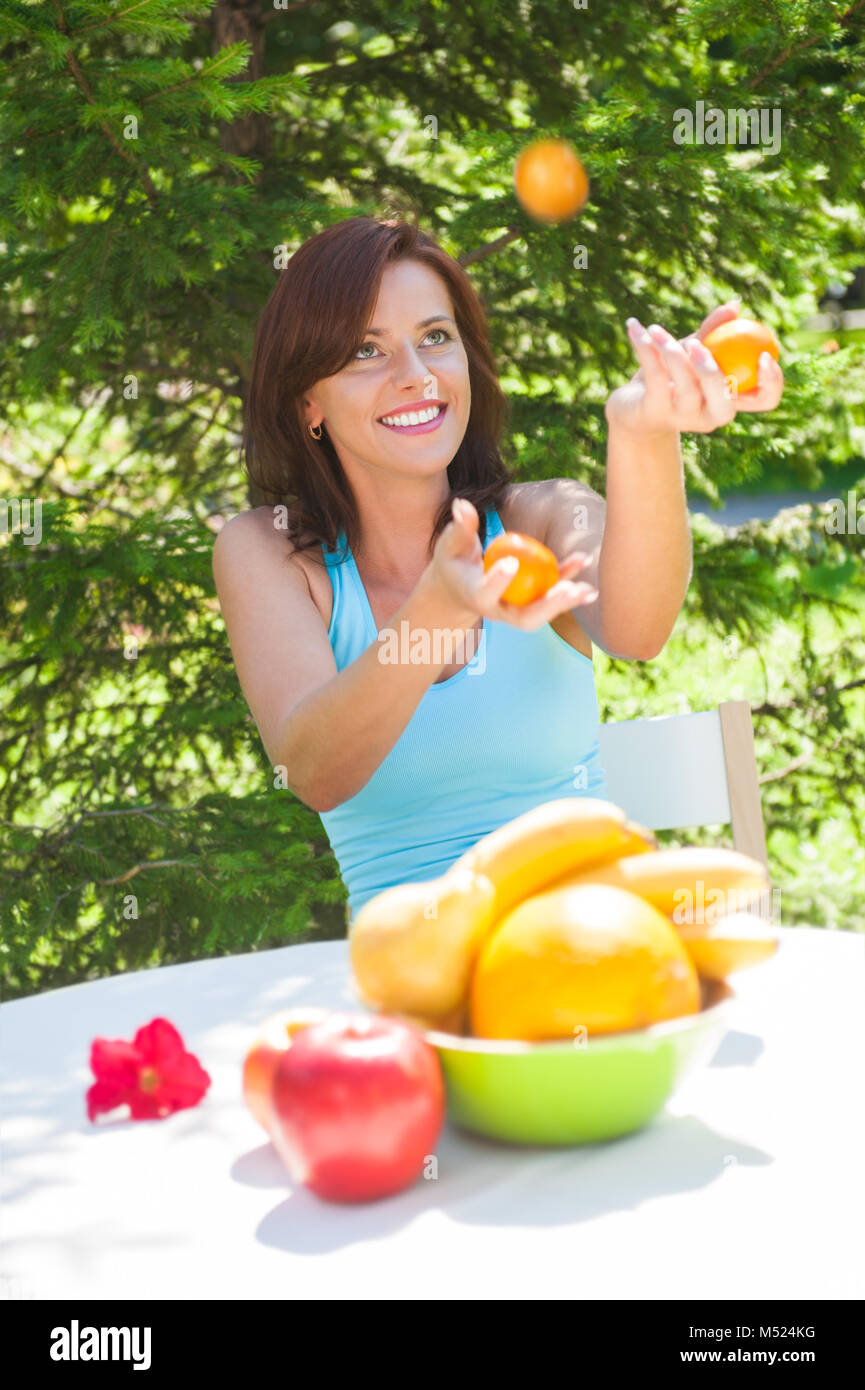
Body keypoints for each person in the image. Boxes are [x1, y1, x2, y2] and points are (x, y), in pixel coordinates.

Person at [212, 217, 784, 926]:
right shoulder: (265, 552)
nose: (415, 376)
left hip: (597, 946)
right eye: (366, 350)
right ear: (308, 403)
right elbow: (316, 772)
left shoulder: (541, 517)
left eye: (434, 338)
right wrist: (438, 609)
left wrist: (641, 428)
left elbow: (638, 631)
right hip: (418, 983)